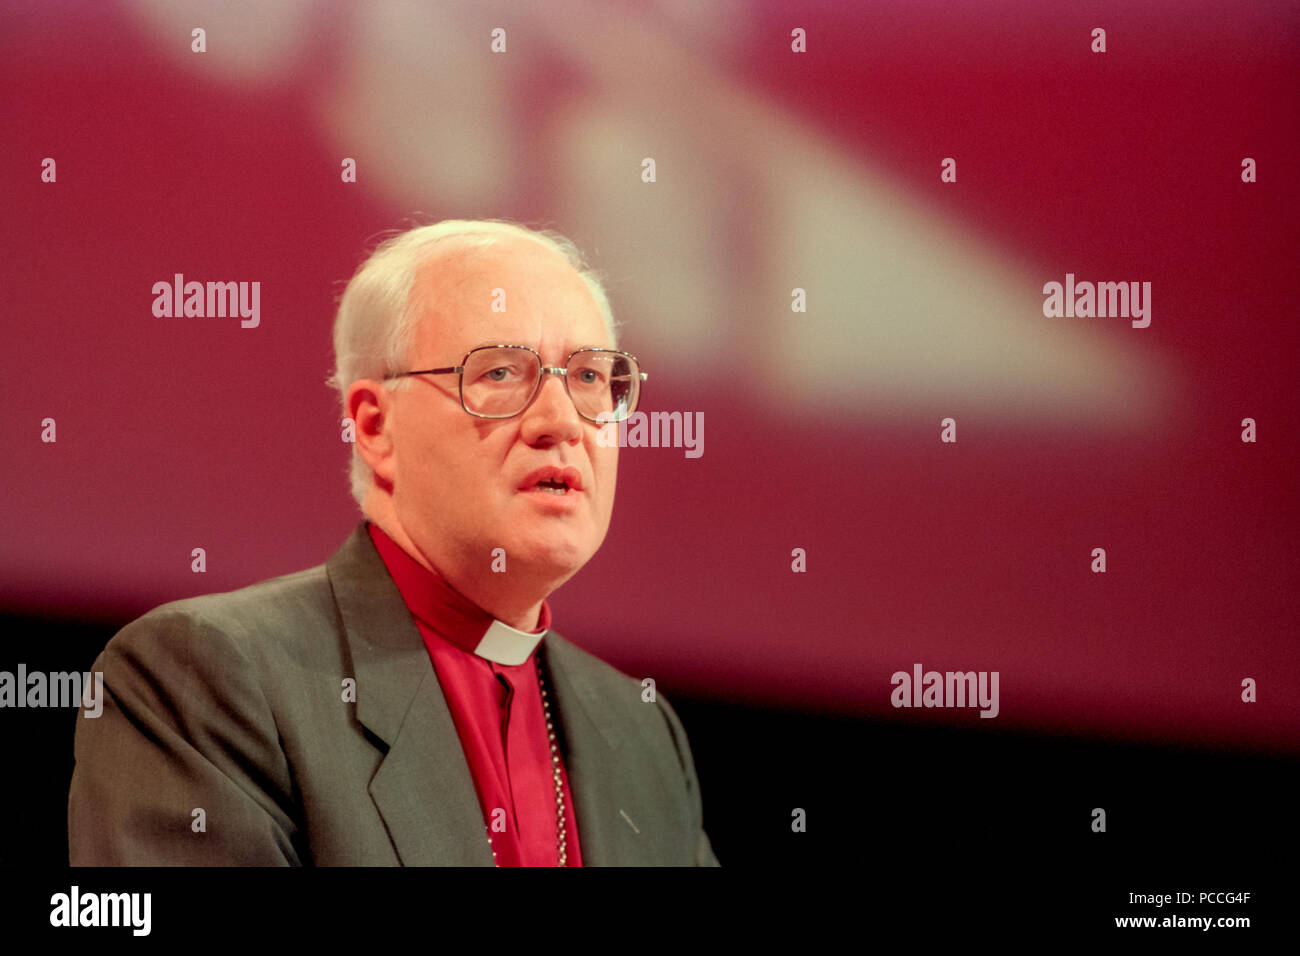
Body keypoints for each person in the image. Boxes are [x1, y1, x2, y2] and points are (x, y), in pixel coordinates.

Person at [68, 219, 719, 866]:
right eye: (499, 372)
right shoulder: (210, 679)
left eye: (590, 378)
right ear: (375, 428)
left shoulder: (641, 733)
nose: (561, 422)